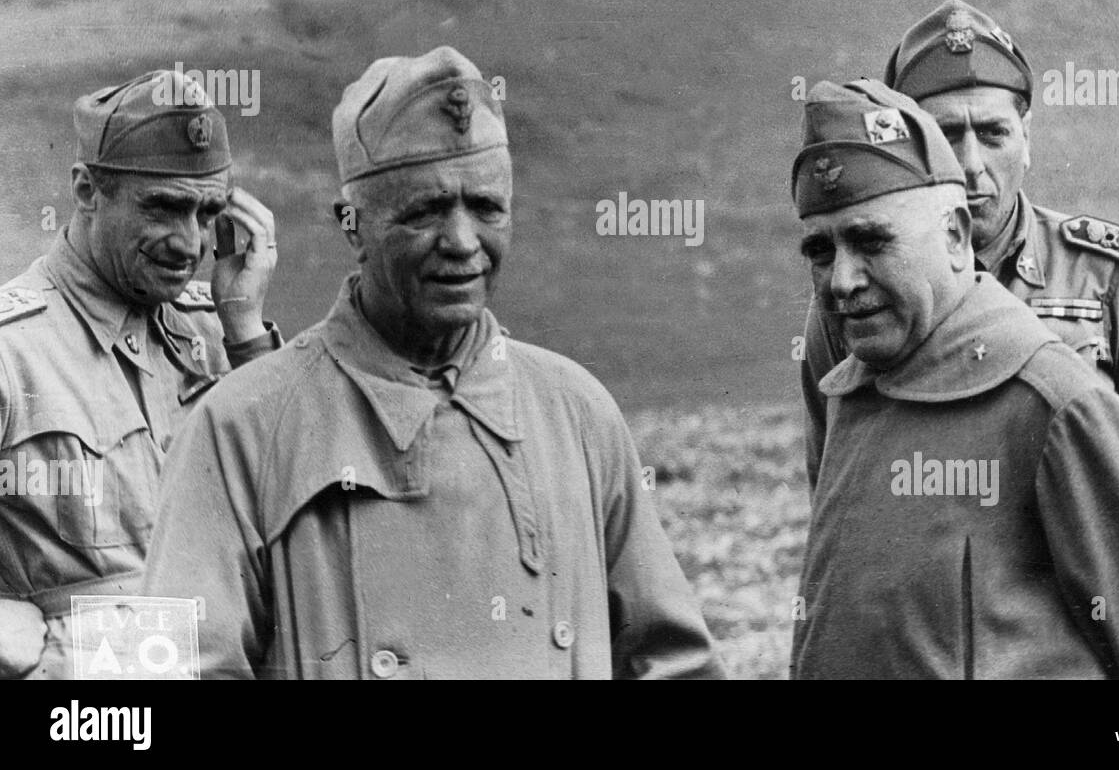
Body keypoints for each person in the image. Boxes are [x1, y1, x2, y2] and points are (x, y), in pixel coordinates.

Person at [143, 46, 726, 679]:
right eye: (423, 212)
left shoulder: (577, 412)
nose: (462, 243)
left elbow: (675, 665)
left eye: (486, 207)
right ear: (352, 224)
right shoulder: (241, 427)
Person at [789, 77, 1119, 678]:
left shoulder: (1054, 404)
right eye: (820, 252)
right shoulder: (847, 392)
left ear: (956, 237)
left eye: (871, 242)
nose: (842, 281)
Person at [801, 0, 1119, 513]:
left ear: (1026, 141)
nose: (972, 165)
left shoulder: (1114, 276)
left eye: (994, 133)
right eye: (948, 135)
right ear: (911, 158)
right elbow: (835, 490)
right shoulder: (857, 295)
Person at [0, 70, 280, 679]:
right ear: (86, 190)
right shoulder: (11, 354)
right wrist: (49, 652)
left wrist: (246, 332)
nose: (190, 243)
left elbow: (302, 541)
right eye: (164, 207)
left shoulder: (221, 334)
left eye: (208, 214)